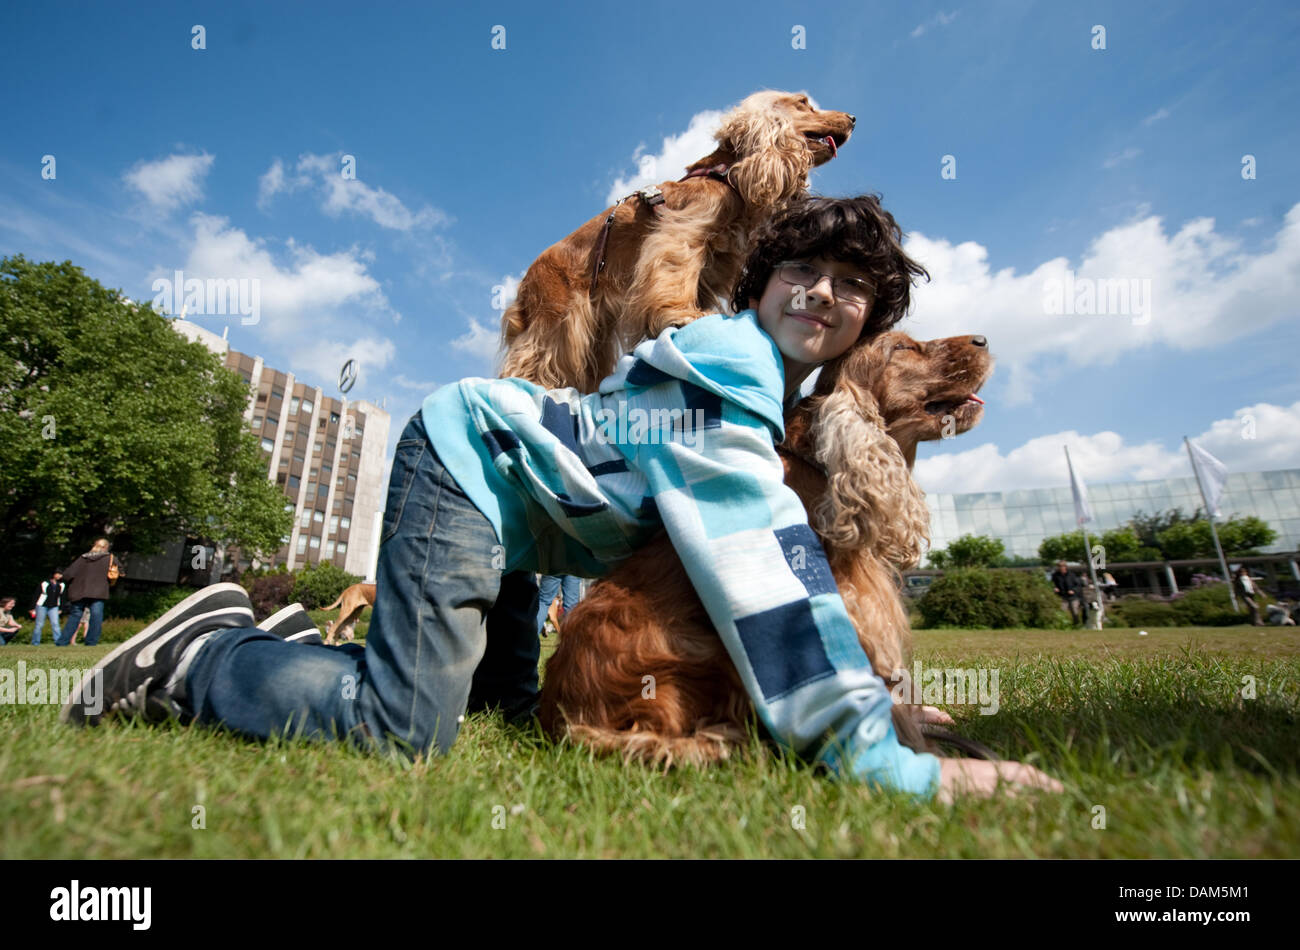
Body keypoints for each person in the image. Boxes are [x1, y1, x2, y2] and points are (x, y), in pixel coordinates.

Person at [62, 194, 1062, 803]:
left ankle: (294, 648)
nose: (818, 292)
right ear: (759, 287)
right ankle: (204, 657)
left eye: (850, 286)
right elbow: (761, 570)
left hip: (522, 526)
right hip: (467, 469)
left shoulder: (768, 394)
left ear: (866, 328)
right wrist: (888, 763)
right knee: (405, 730)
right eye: (800, 268)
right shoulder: (730, 366)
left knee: (498, 712)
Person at [57, 538, 117, 646]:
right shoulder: (110, 558)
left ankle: (62, 642)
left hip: (79, 591)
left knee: (75, 616)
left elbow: (68, 574)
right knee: (96, 616)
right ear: (106, 547)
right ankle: (91, 642)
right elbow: (119, 572)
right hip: (99, 591)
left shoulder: (83, 558)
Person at [30, 569, 66, 645]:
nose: (60, 576)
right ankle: (35, 642)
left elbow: (62, 597)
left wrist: (61, 608)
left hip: (54, 607)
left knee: (55, 624)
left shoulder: (61, 585)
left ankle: (58, 642)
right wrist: (32, 608)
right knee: (39, 625)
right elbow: (36, 595)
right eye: (58, 574)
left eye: (61, 574)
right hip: (42, 606)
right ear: (53, 574)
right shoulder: (44, 583)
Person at [1051, 560, 1086, 626]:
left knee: (1074, 611)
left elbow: (1078, 585)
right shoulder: (1055, 575)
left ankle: (1077, 625)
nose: (1061, 567)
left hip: (1073, 596)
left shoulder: (1071, 575)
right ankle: (1062, 625)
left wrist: (1073, 590)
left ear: (1065, 567)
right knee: (1062, 611)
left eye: (1062, 566)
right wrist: (1055, 588)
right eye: (1059, 566)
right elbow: (1052, 584)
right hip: (1062, 596)